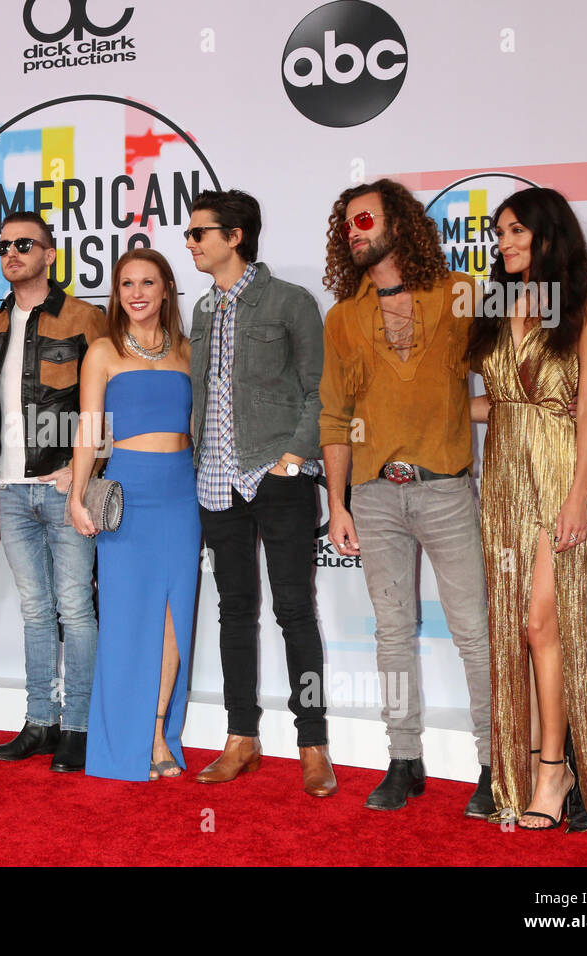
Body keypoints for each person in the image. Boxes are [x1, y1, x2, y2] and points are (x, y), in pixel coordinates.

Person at [320, 179, 493, 816]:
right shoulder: (342, 316)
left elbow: (507, 375)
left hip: (446, 489)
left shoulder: (459, 295)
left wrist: (463, 411)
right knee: (392, 633)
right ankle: (403, 759)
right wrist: (337, 504)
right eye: (346, 225)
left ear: (399, 223)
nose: (354, 232)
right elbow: (334, 418)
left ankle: (495, 762)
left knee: (473, 631)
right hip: (373, 496)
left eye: (365, 220)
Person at [185, 189, 337, 796]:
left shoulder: (290, 301)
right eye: (189, 233)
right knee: (234, 612)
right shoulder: (202, 310)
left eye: (199, 232)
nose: (190, 243)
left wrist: (293, 458)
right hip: (215, 483)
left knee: (295, 610)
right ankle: (240, 737)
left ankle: (313, 743)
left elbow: (320, 390)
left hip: (277, 479)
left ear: (235, 236)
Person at [468, 187, 587, 831]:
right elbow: (492, 403)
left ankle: (555, 770)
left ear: (550, 234)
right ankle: (520, 767)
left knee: (538, 624)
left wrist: (578, 495)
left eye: (517, 230)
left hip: (557, 477)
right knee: (509, 626)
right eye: (499, 233)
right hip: (501, 476)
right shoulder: (493, 305)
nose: (505, 243)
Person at [0, 211, 108, 772]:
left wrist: (83, 470)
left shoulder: (85, 317)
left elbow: (109, 401)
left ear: (50, 254)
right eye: (4, 246)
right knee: (35, 611)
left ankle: (78, 727)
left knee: (75, 609)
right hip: (9, 488)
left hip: (63, 487)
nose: (12, 253)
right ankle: (40, 722)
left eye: (24, 244)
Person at [70, 249, 198, 781]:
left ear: (166, 289)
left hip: (181, 492)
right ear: (116, 293)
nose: (137, 293)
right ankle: (126, 738)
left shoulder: (187, 351)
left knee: (173, 618)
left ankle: (158, 729)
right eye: (127, 284)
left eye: (148, 282)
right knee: (125, 619)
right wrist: (77, 495)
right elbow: (89, 429)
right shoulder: (103, 351)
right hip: (128, 492)